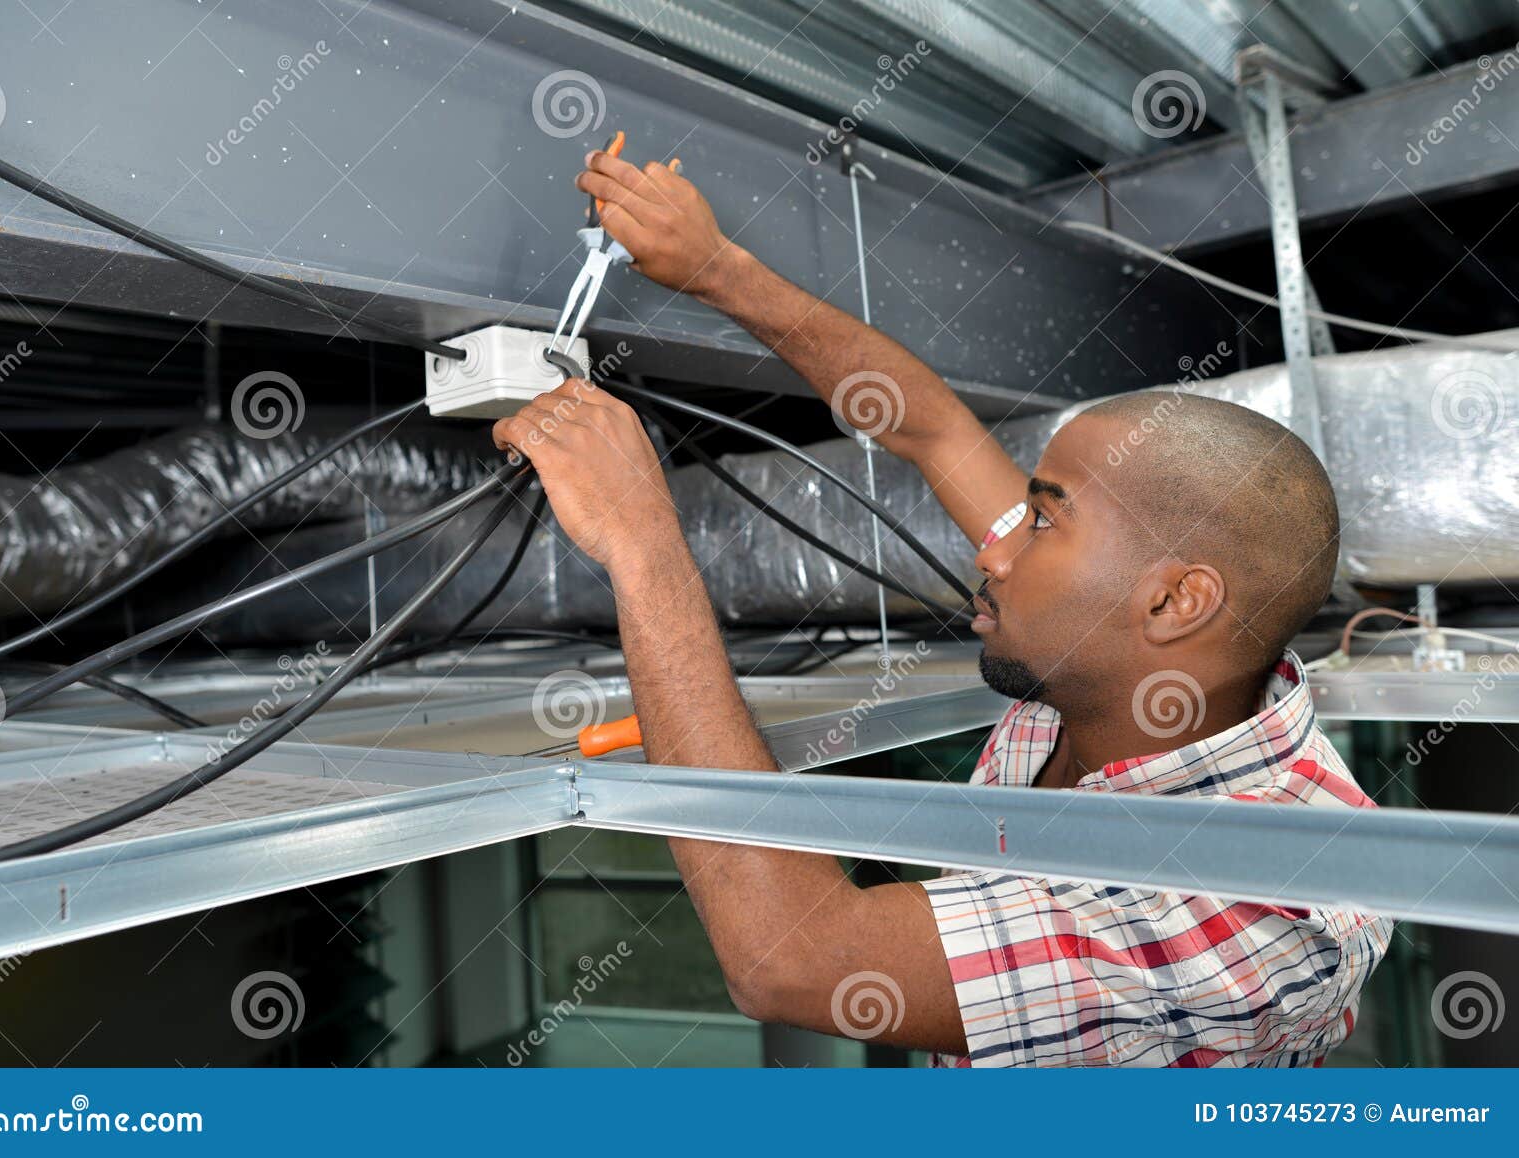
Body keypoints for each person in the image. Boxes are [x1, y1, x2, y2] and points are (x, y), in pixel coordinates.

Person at [489, 150, 1393, 1067]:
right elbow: (932, 427)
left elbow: (793, 961)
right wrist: (714, 266)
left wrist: (643, 544)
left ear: (1173, 600)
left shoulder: (1247, 918)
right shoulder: (1133, 660)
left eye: (1042, 521)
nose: (992, 546)